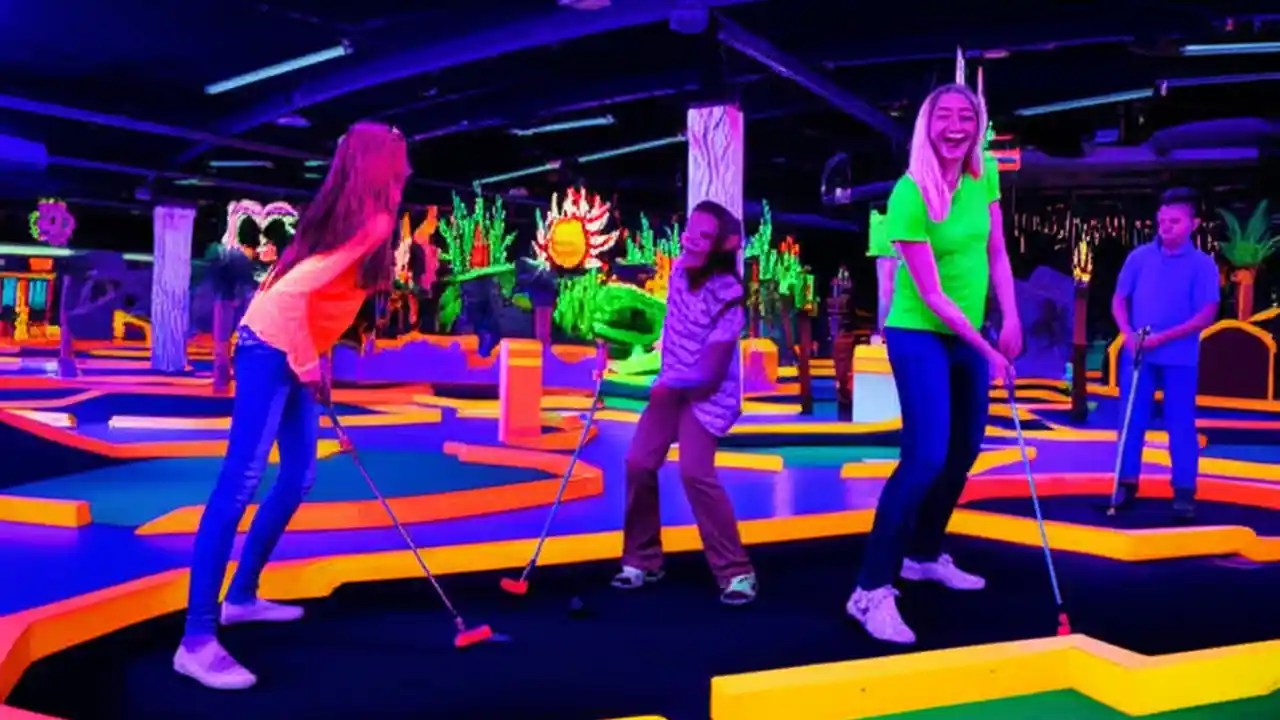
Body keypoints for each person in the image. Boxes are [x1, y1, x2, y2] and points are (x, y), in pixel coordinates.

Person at [174, 121, 409, 690]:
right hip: (271, 345)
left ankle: (242, 596)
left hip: (290, 345)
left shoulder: (353, 220)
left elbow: (316, 297)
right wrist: (306, 362)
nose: (406, 167)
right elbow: (292, 293)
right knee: (239, 483)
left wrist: (315, 360)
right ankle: (197, 640)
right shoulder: (374, 221)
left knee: (299, 475)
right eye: (400, 157)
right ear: (382, 166)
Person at [846, 83, 1021, 645]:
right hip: (921, 332)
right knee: (924, 457)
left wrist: (1010, 318)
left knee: (964, 450)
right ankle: (869, 590)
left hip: (970, 334)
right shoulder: (908, 194)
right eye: (943, 115)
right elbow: (933, 295)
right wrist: (989, 347)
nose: (954, 125)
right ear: (926, 124)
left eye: (965, 115)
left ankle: (922, 555)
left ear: (977, 124)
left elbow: (996, 250)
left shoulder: (984, 174)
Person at [613, 199, 757, 605]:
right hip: (672, 384)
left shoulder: (729, 295)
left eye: (704, 236)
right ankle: (644, 560)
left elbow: (709, 373)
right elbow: (674, 334)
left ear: (722, 246)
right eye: (690, 232)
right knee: (639, 462)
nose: (692, 241)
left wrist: (668, 384)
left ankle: (737, 572)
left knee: (695, 472)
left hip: (707, 395)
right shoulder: (678, 271)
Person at [1110, 188, 1218, 521]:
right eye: (1162, 221)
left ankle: (1184, 490)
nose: (1165, 227)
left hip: (1181, 356)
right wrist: (1127, 333)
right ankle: (1126, 483)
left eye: (1174, 221)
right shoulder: (1139, 258)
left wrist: (1164, 338)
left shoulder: (1203, 265)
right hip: (1139, 353)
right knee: (1131, 420)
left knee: (1180, 422)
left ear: (1193, 224)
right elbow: (1118, 299)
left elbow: (1207, 313)